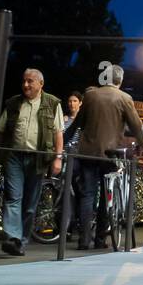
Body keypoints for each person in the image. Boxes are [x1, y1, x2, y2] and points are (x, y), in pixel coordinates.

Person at [68, 68, 143, 249]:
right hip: (110, 154)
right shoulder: (124, 98)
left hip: (88, 152)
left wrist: (65, 139)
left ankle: (83, 239)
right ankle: (100, 239)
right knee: (107, 196)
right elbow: (136, 125)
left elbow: (78, 122)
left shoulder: (90, 96)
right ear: (120, 80)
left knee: (87, 195)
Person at [0, 69, 64, 256]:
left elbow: (59, 133)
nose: (26, 85)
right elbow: (0, 130)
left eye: (30, 81)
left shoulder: (52, 103)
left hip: (38, 158)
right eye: (24, 81)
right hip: (14, 156)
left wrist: (57, 158)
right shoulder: (13, 103)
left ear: (41, 84)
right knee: (13, 197)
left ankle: (21, 241)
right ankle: (12, 237)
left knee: (29, 204)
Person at [63, 92, 84, 237]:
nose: (72, 104)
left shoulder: (83, 120)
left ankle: (74, 223)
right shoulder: (64, 119)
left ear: (80, 103)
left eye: (75, 101)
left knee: (76, 190)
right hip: (65, 155)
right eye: (70, 101)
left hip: (76, 157)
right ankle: (66, 225)